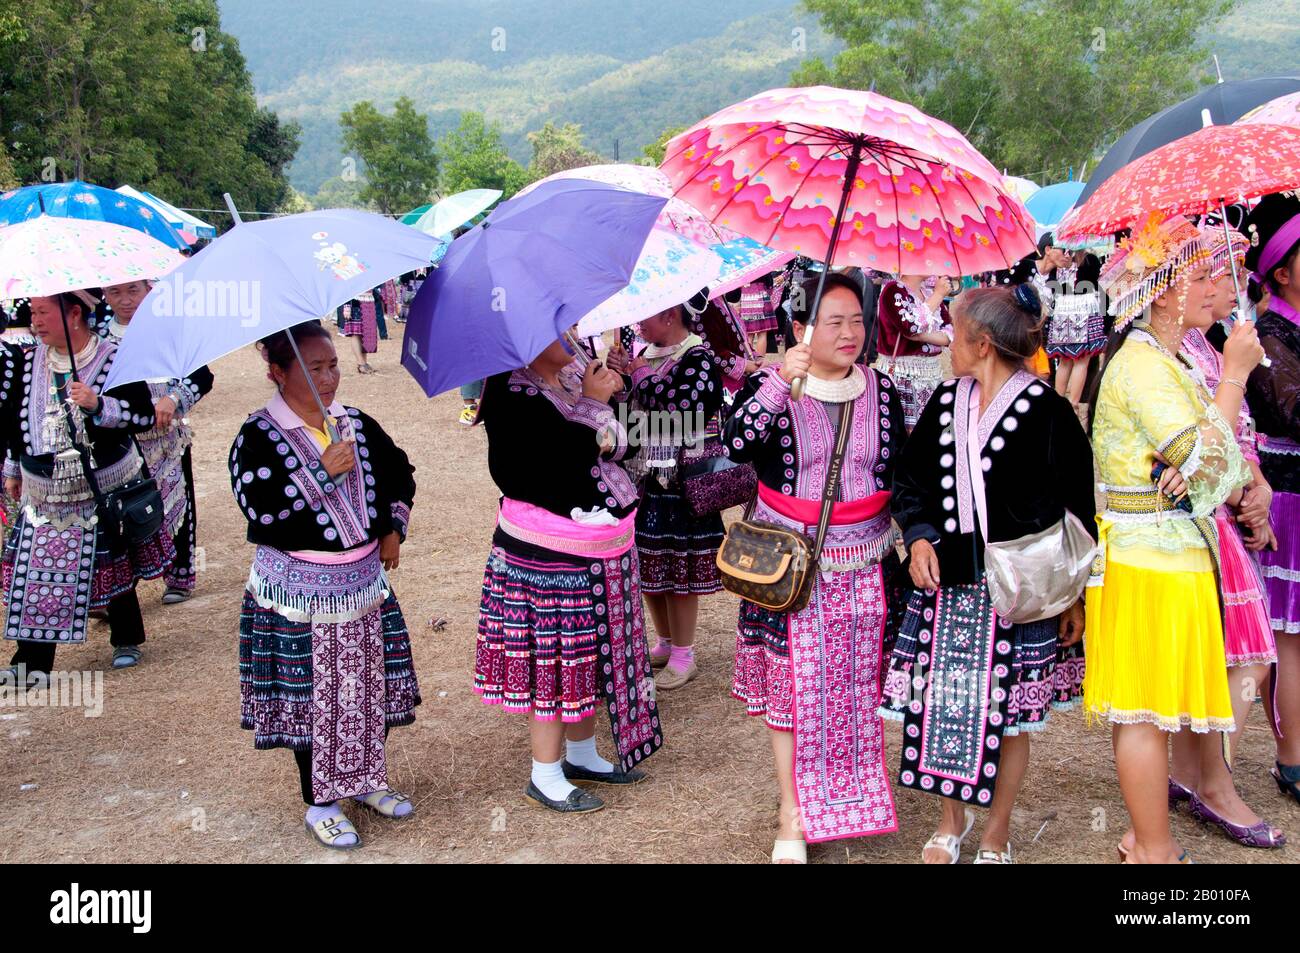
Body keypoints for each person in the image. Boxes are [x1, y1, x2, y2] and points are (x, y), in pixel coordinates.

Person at [882, 283, 1095, 864]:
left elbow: (1078, 510)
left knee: (1010, 716)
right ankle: (952, 819)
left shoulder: (1049, 412)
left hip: (1021, 589)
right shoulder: (945, 402)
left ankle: (997, 831)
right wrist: (919, 534)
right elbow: (912, 480)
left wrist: (1073, 599)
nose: (947, 341)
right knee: (946, 701)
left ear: (980, 344)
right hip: (949, 583)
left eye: (953, 331)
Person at [1086, 213, 1263, 864]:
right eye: (1197, 274)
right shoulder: (1144, 366)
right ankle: (1153, 851)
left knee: (1149, 712)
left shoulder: (1159, 358)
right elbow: (1207, 467)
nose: (1212, 285)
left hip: (1165, 556)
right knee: (1144, 714)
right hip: (1149, 561)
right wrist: (1236, 374)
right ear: (1162, 290)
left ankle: (1143, 836)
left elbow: (1206, 470)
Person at [726, 273, 905, 863]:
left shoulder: (883, 392)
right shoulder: (776, 391)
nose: (851, 333)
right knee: (793, 688)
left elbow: (901, 474)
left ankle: (850, 791)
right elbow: (735, 445)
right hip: (792, 571)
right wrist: (781, 381)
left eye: (857, 320)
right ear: (801, 330)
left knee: (858, 683)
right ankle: (792, 811)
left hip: (868, 564)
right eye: (835, 322)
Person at [231, 322, 420, 850]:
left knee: (370, 683)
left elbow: (400, 473)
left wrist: (391, 529)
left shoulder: (354, 423)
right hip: (298, 592)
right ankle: (321, 801)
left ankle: (363, 779)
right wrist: (319, 474)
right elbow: (259, 513)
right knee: (314, 695)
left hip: (363, 584)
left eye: (332, 364)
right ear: (277, 372)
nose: (330, 376)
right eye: (314, 368)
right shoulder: (258, 434)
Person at [474, 333, 662, 814]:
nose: (574, 341)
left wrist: (617, 393)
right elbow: (540, 471)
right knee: (556, 662)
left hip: (596, 544)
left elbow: (624, 445)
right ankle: (546, 772)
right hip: (545, 554)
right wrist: (593, 406)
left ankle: (581, 754)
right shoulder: (509, 393)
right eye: (560, 331)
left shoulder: (573, 375)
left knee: (586, 657)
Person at [1167, 223, 1284, 848]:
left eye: (1234, 269)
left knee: (1242, 655)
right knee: (1242, 657)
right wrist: (1246, 491)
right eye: (1216, 272)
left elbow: (1240, 438)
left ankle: (1202, 773)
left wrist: (1258, 485)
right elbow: (1201, 445)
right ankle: (1211, 777)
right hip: (1197, 519)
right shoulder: (1175, 354)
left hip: (1224, 514)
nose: (1226, 285)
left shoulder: (1206, 345)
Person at [1, 292, 174, 679]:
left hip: (103, 481)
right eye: (33, 312)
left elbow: (142, 415)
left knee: (110, 558)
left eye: (43, 312)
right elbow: (15, 423)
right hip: (43, 488)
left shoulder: (114, 358)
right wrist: (13, 468)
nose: (36, 320)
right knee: (36, 570)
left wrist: (99, 405)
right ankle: (30, 662)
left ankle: (126, 637)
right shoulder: (28, 362)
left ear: (74, 313)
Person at [611, 301, 725, 690]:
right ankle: (664, 641)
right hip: (645, 478)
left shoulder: (699, 358)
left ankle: (684, 654)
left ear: (670, 315)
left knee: (680, 572)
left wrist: (639, 375)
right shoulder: (644, 355)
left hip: (683, 483)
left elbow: (683, 413)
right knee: (650, 567)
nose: (637, 323)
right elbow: (633, 418)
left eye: (644, 315)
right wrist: (619, 382)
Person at [101, 280, 213, 604]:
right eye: (115, 292)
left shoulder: (170, 331)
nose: (125, 300)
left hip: (169, 440)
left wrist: (175, 396)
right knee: (126, 511)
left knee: (181, 502)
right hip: (125, 443)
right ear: (104, 296)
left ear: (149, 289)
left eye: (132, 290)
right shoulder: (101, 342)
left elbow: (202, 375)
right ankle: (125, 587)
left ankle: (180, 575)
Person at [1241, 193, 1300, 806]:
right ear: (1280, 272)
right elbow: (1293, 411)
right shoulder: (1267, 334)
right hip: (1287, 497)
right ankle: (1291, 758)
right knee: (1287, 640)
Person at [1030, 236, 1106, 406]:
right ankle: (1073, 404)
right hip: (1084, 307)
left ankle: (1057, 401)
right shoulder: (1089, 260)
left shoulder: (1062, 261)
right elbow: (1098, 282)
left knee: (1064, 361)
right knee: (1082, 360)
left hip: (1062, 308)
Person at [873, 273, 953, 430]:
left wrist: (921, 336)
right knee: (903, 429)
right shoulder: (893, 290)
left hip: (931, 374)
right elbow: (911, 326)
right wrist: (938, 295)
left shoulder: (927, 292)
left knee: (927, 428)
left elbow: (950, 333)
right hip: (902, 374)